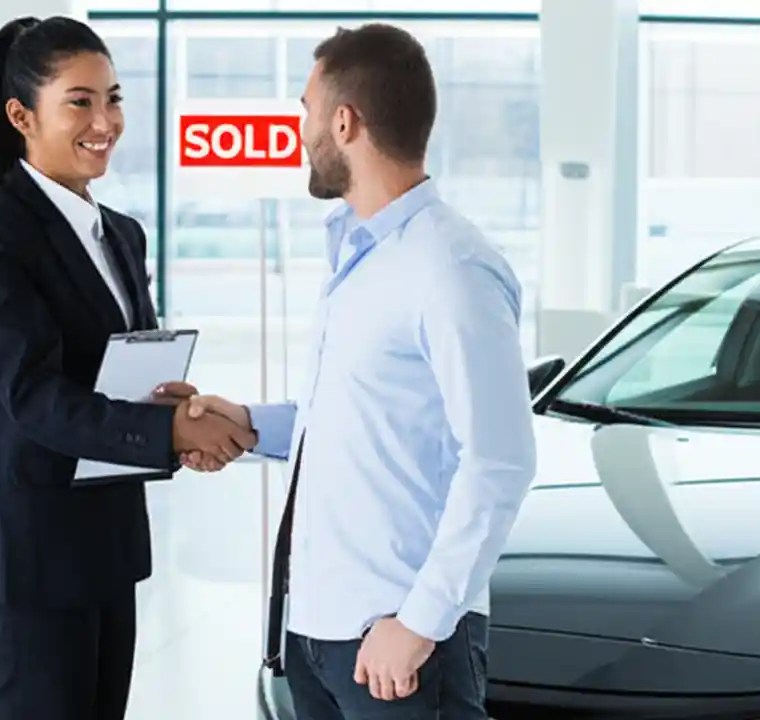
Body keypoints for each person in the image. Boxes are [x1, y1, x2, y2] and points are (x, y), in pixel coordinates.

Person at [164, 22, 537, 720]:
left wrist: (420, 623)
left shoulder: (449, 266)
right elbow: (349, 419)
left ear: (344, 121)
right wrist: (244, 422)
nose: (298, 127)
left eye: (304, 109)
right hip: (318, 629)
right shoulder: (358, 255)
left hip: (400, 642)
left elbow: (500, 460)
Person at [0, 16, 256, 720]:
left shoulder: (119, 232)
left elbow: (120, 369)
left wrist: (177, 409)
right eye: (80, 101)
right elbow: (33, 399)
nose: (105, 121)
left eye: (113, 98)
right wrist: (168, 433)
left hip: (108, 549)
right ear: (21, 116)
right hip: (34, 560)